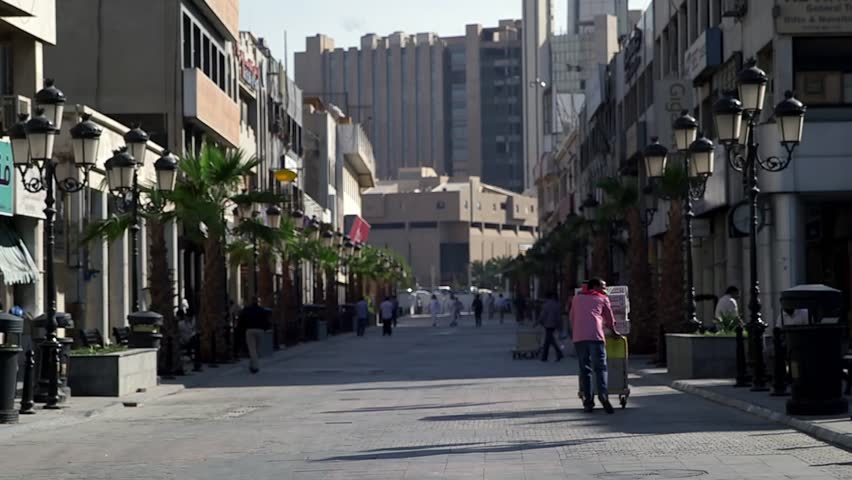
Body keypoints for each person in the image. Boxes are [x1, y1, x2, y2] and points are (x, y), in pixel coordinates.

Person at [571, 278, 619, 414]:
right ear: (595, 286)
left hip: (579, 337)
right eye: (603, 287)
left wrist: (574, 333)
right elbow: (610, 319)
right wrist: (615, 332)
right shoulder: (603, 299)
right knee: (600, 368)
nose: (605, 290)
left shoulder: (576, 298)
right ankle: (603, 396)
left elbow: (572, 317)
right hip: (596, 337)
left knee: (585, 370)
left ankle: (588, 403)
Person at [239, 297, 271, 374]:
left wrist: (242, 329)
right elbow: (266, 321)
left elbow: (241, 321)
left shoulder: (246, 310)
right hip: (260, 330)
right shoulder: (262, 310)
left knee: (252, 348)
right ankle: (252, 365)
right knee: (255, 349)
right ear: (258, 302)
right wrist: (265, 329)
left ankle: (255, 366)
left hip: (249, 330)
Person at [539, 292, 564, 362]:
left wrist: (538, 322)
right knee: (547, 340)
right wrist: (560, 325)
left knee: (550, 340)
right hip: (554, 324)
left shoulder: (546, 305)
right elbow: (559, 316)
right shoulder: (557, 304)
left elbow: (543, 315)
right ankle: (544, 357)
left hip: (547, 324)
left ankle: (559, 353)